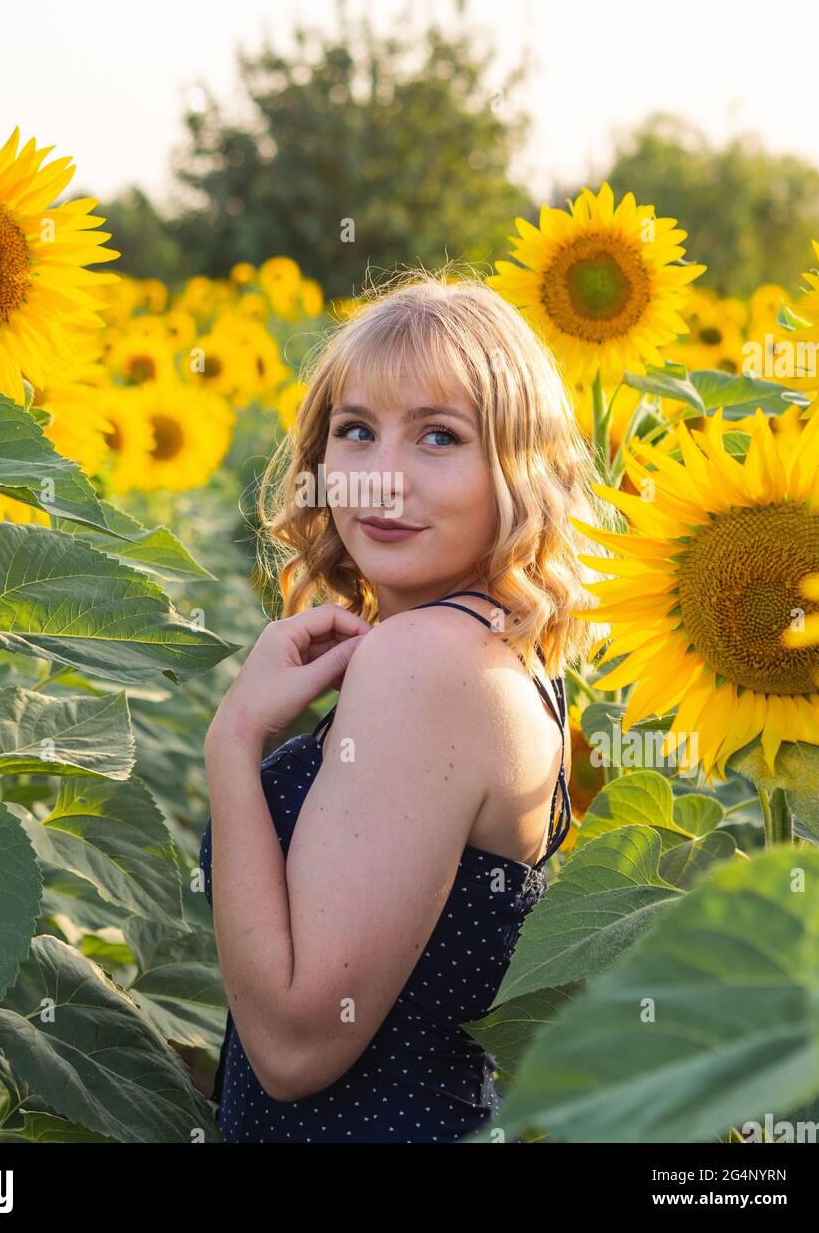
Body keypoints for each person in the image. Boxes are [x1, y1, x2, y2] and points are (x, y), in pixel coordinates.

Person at [200, 267, 606, 1143]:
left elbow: (295, 1046)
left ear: (518, 467)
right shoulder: (504, 647)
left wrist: (234, 743)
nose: (381, 478)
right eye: (355, 431)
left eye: (438, 437)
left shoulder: (424, 660)